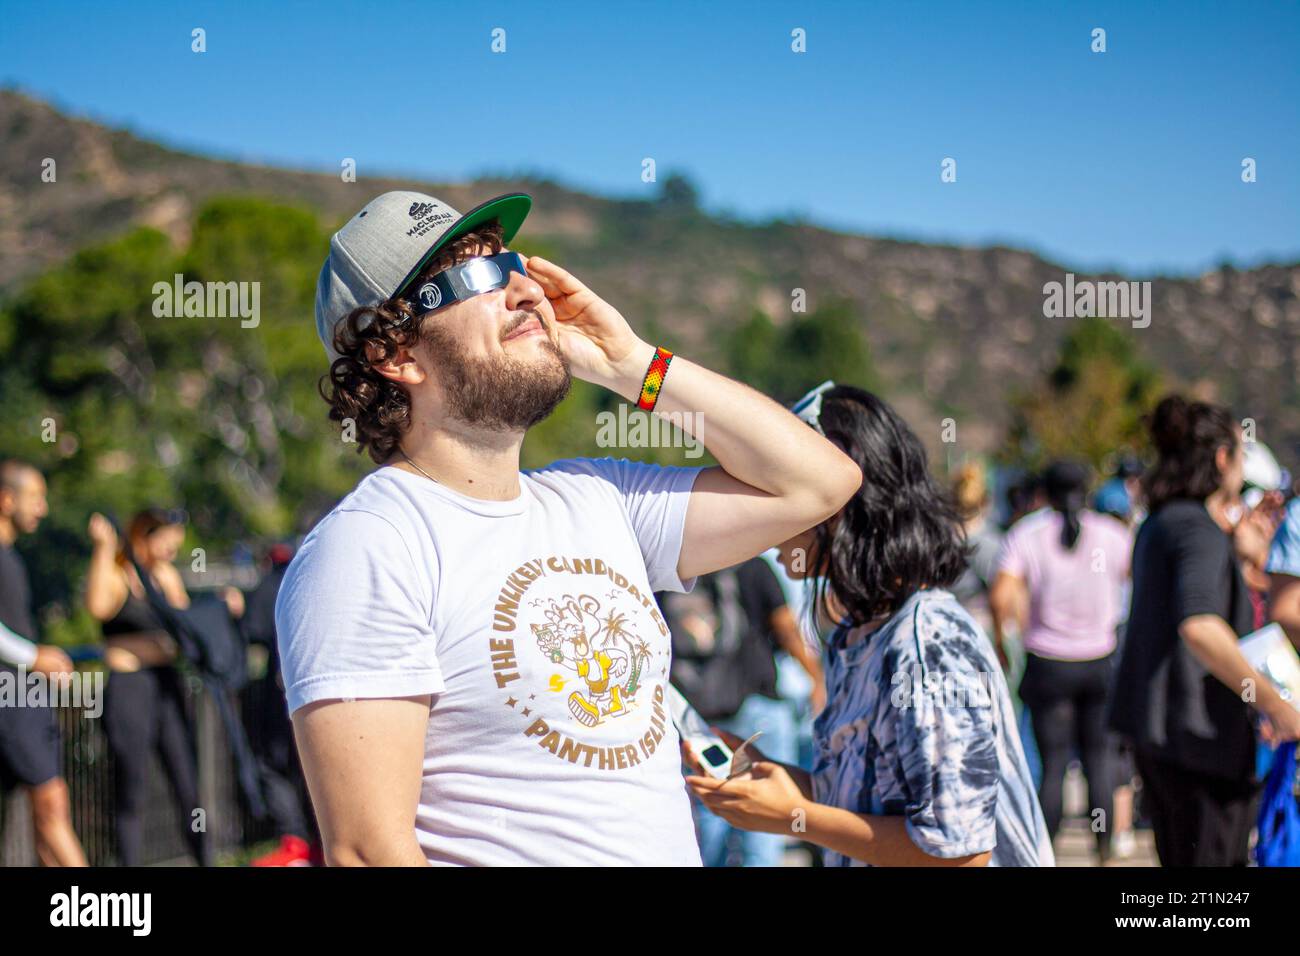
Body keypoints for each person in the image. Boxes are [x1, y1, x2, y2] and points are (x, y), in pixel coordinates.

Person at [275, 191, 861, 866]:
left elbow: (819, 484)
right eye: (478, 276)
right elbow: (369, 851)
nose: (525, 289)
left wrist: (630, 364)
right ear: (396, 353)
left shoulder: (599, 497)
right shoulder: (368, 547)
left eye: (514, 264)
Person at [687, 383, 1054, 866]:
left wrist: (795, 814)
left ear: (837, 508)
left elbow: (958, 855)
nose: (761, 516)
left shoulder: (929, 643)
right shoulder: (857, 636)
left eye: (775, 492)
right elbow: (865, 801)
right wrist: (770, 779)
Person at [1109, 395, 1300, 866]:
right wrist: (1275, 704)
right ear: (1221, 458)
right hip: (1200, 741)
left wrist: (1240, 557)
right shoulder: (1198, 531)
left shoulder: (1161, 523)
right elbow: (1199, 626)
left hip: (1159, 736)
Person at [989, 460, 1132, 860]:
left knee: (1052, 766)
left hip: (1048, 662)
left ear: (1045, 493)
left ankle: (1044, 853)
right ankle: (1104, 851)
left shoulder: (1026, 535)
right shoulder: (1113, 534)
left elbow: (1001, 596)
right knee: (1098, 763)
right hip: (1100, 662)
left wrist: (1003, 641)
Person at [659, 555, 824, 867]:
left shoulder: (676, 570)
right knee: (767, 819)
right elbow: (785, 626)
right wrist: (817, 679)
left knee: (712, 808)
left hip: (700, 711)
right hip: (758, 705)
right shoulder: (753, 564)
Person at [85, 508, 217, 866]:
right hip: (130, 686)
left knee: (187, 784)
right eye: (167, 540)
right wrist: (103, 548)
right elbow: (97, 606)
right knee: (131, 787)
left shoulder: (165, 576)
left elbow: (185, 627)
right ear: (144, 535)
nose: (173, 547)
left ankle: (205, 860)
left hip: (166, 683)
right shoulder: (117, 572)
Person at [0, 460, 87, 867]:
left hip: (21, 700)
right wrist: (35, 657)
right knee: (52, 807)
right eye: (35, 497)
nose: (43, 508)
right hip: (10, 703)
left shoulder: (12, 557)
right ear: (5, 499)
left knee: (46, 814)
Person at [949, 461, 1002, 637]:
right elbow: (998, 596)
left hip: (945, 620)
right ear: (984, 500)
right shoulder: (990, 540)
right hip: (981, 625)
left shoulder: (939, 536)